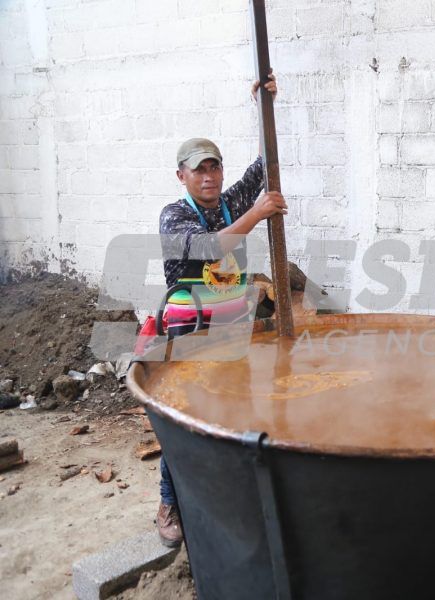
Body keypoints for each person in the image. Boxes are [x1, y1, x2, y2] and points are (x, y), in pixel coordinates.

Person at [153, 73, 287, 548]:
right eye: (199, 170)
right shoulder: (175, 214)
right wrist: (259, 213)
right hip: (187, 326)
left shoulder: (229, 203)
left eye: (214, 168)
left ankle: (223, 493)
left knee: (231, 406)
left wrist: (264, 107)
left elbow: (263, 167)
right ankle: (169, 501)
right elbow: (208, 249)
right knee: (185, 412)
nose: (209, 177)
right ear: (182, 176)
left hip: (228, 320)